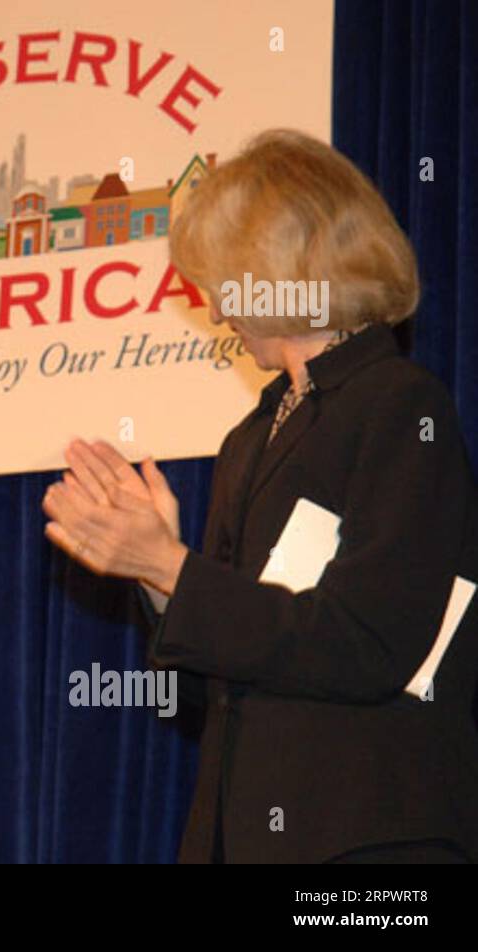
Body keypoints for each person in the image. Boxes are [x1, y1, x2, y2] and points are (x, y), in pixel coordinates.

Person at [42, 129, 478, 863]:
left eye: (223, 283)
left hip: (370, 843)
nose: (215, 311)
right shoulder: (249, 439)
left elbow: (370, 644)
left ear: (284, 266)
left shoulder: (402, 405)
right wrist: (157, 576)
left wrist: (176, 569)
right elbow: (203, 697)